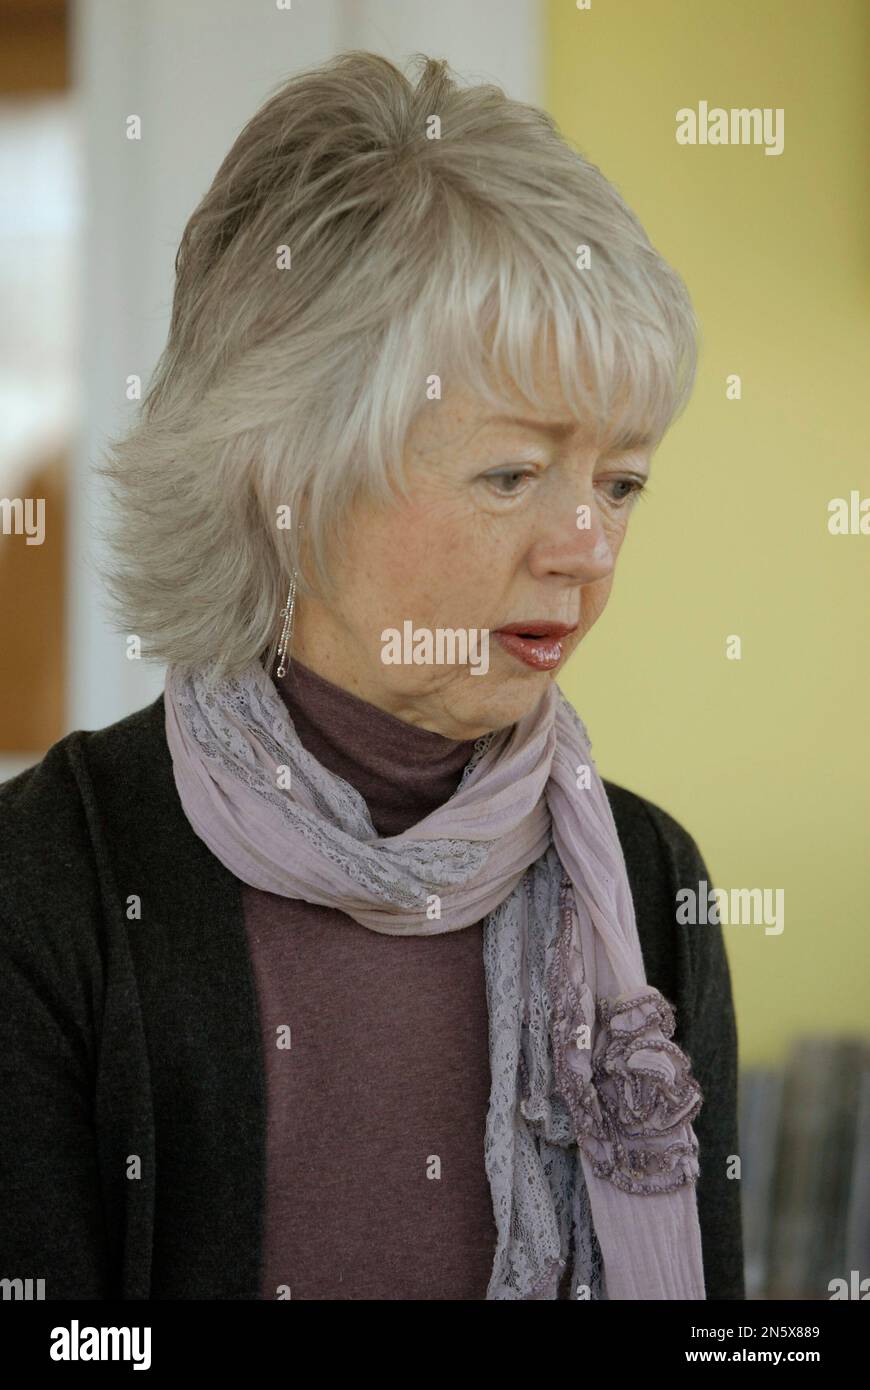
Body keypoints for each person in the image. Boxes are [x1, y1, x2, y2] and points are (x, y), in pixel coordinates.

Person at [0, 51, 743, 1300]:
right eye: (513, 473)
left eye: (622, 482)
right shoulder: (48, 885)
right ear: (285, 474)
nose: (590, 548)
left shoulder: (655, 878)